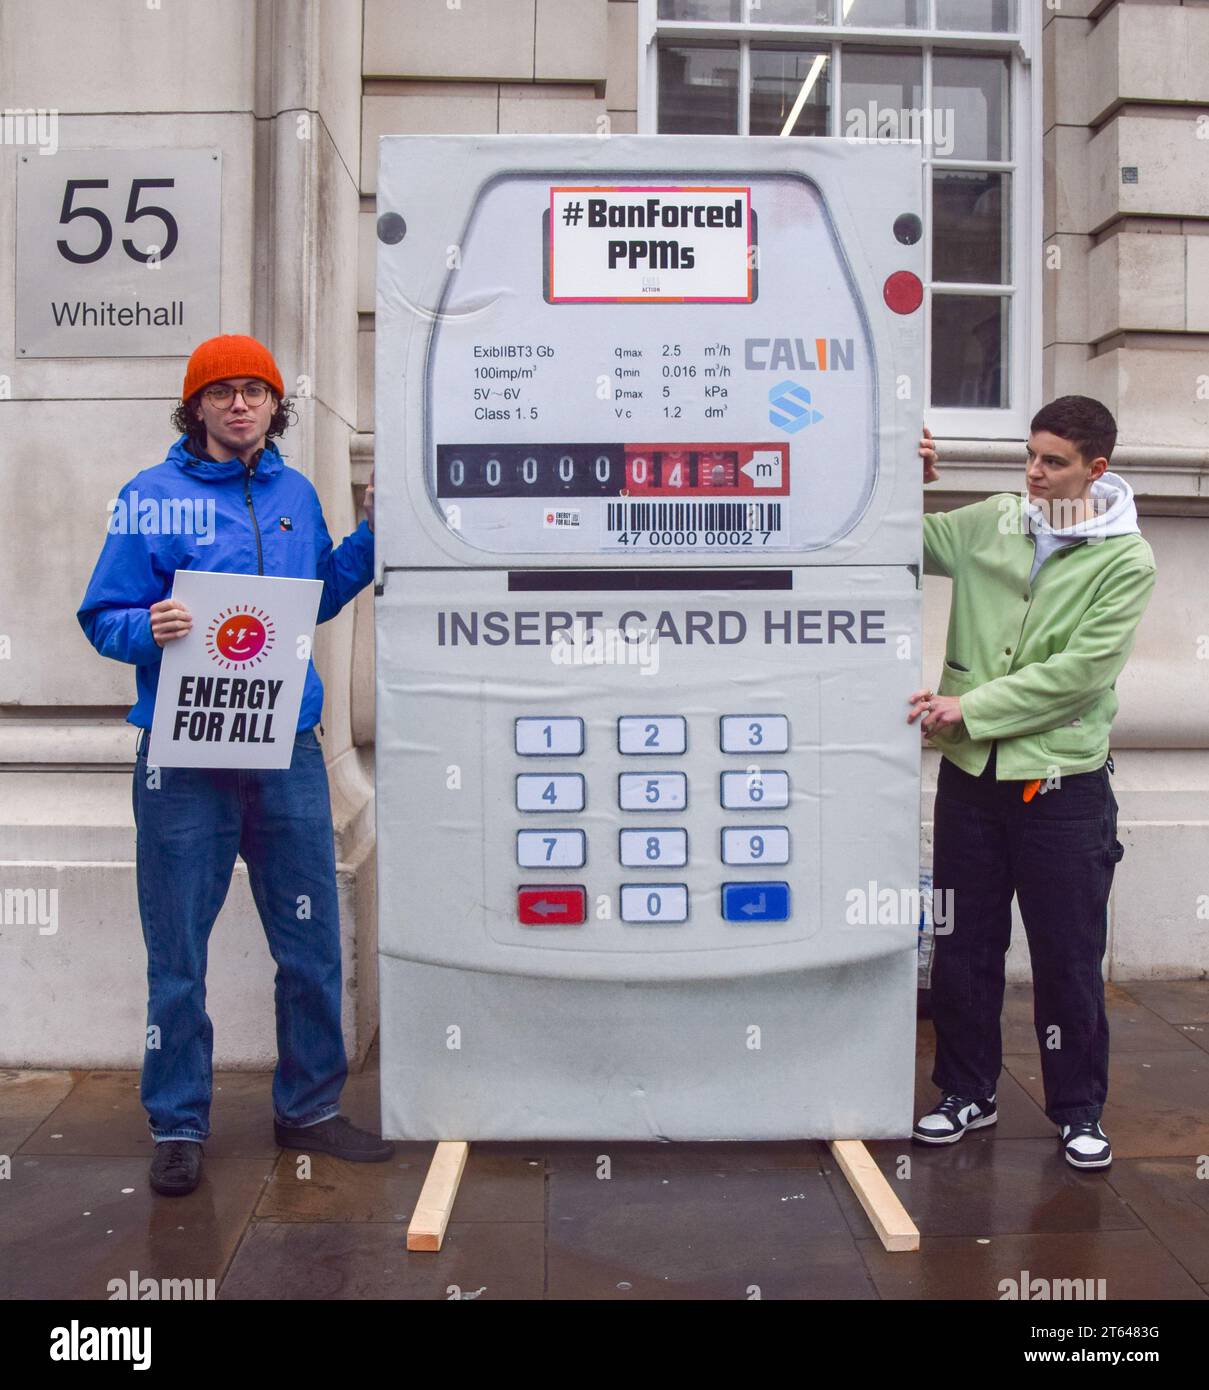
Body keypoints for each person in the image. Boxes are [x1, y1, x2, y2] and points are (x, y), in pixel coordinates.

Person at [78, 333, 393, 1196]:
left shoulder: (293, 492)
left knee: (309, 938)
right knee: (177, 947)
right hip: (182, 754)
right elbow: (102, 613)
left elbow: (316, 594)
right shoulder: (150, 496)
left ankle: (311, 1108)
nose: (241, 404)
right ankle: (178, 1123)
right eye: (222, 392)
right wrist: (150, 628)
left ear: (272, 404)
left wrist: (370, 539)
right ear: (197, 406)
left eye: (255, 390)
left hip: (285, 744)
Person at [909, 396, 1156, 1169]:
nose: (1034, 473)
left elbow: (1078, 676)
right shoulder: (991, 519)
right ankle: (965, 1092)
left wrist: (968, 706)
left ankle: (1079, 1110)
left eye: (1052, 461)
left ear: (1096, 468)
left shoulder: (1126, 560)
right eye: (1030, 456)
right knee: (962, 944)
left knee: (1067, 954)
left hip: (1061, 787)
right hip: (970, 779)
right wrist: (897, 480)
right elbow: (898, 545)